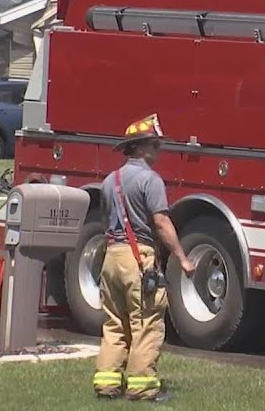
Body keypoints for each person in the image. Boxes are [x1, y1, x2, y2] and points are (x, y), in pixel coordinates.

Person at [92, 113, 195, 402]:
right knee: (147, 323)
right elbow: (161, 222)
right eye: (154, 145)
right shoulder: (150, 180)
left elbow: (105, 220)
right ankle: (141, 387)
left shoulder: (109, 181)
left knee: (114, 322)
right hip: (139, 260)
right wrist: (182, 258)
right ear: (139, 147)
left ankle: (107, 383)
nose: (158, 150)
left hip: (111, 258)